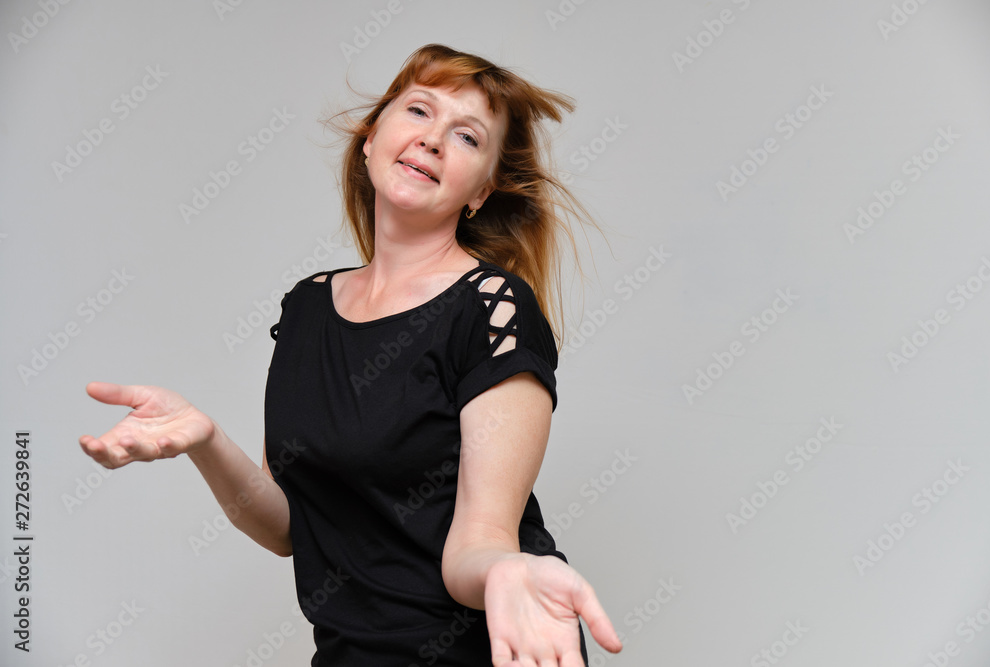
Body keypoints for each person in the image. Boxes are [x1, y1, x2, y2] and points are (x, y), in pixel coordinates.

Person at [79, 43, 622, 666]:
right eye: (419, 110)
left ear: (481, 191)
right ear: (371, 138)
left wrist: (506, 572)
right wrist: (205, 440)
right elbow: (290, 526)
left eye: (468, 136)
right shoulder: (308, 307)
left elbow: (479, 542)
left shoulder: (493, 309)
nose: (434, 140)